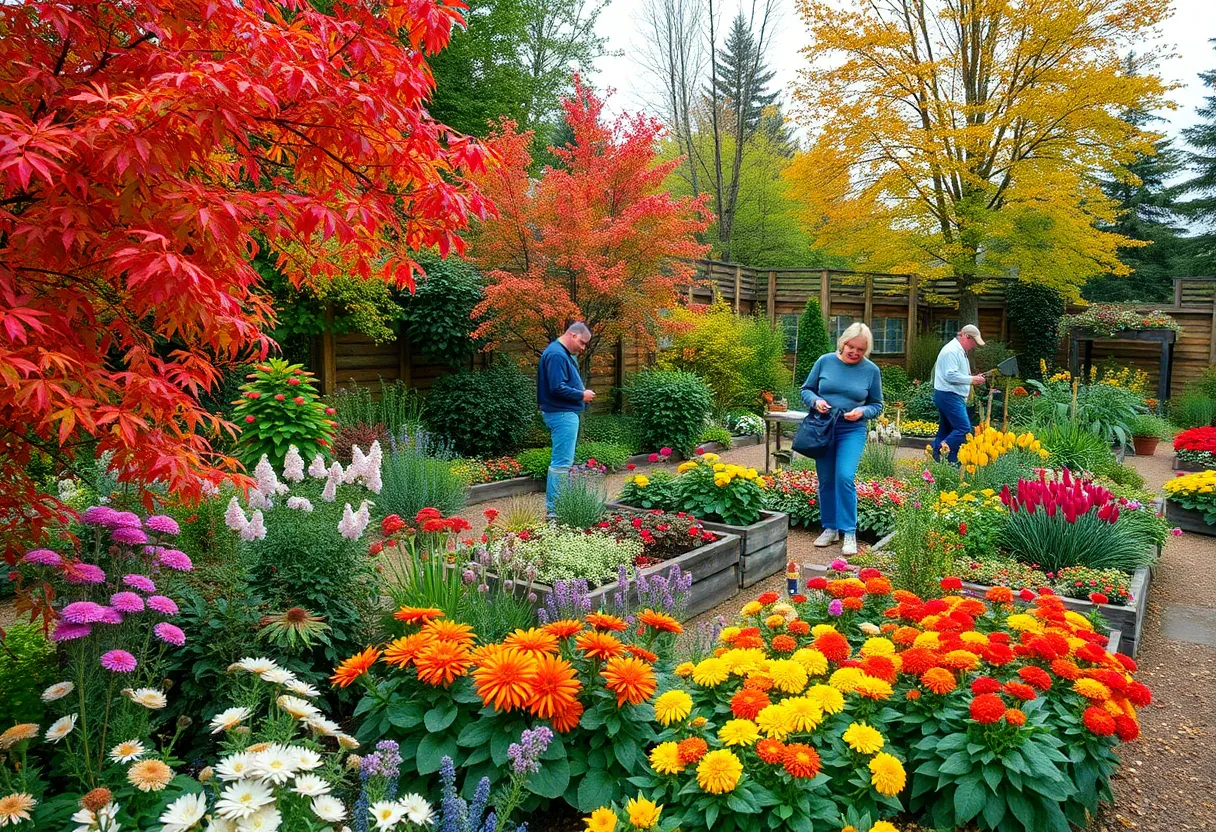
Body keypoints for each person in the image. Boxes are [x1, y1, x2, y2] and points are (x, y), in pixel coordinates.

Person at [801, 322, 884, 556]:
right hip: (824, 428)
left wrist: (862, 412)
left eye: (861, 349)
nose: (855, 352)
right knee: (826, 480)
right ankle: (830, 528)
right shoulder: (824, 361)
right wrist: (816, 402)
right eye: (852, 347)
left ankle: (849, 532)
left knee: (844, 476)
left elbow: (877, 405)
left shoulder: (871, 370)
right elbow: (807, 389)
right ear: (843, 342)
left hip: (852, 430)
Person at [537, 322, 595, 515]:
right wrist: (581, 395)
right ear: (572, 334)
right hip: (561, 413)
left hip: (562, 413)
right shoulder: (556, 354)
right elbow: (557, 387)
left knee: (562, 463)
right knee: (561, 464)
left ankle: (558, 509)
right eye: (582, 342)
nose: (583, 347)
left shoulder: (560, 353)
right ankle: (555, 513)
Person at [931, 324, 988, 464]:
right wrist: (972, 380)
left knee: (946, 429)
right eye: (973, 342)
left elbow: (956, 373)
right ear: (965, 336)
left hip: (948, 394)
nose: (974, 345)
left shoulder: (958, 350)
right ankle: (940, 450)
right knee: (963, 429)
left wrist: (972, 377)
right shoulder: (952, 351)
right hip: (949, 395)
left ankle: (944, 462)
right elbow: (950, 375)